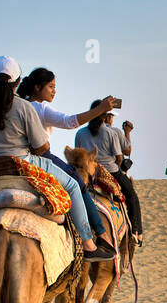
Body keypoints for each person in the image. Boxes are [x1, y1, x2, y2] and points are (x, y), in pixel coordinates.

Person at [0, 57, 113, 303]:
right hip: (21, 165)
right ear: (17, 82)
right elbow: (41, 146)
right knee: (72, 185)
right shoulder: (24, 107)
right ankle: (90, 245)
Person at [16, 67, 117, 249]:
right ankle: (99, 235)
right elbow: (70, 122)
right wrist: (100, 109)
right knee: (77, 183)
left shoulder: (20, 105)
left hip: (17, 157)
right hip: (40, 156)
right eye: (51, 87)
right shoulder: (40, 108)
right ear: (38, 87)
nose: (54, 91)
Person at [75, 101, 144, 245]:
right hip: (110, 171)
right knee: (131, 195)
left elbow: (78, 156)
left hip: (88, 173)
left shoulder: (80, 133)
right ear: (105, 116)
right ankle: (136, 231)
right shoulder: (111, 133)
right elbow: (120, 157)